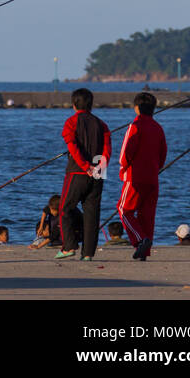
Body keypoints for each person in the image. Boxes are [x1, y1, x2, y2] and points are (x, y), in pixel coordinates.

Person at [57, 87, 111, 262]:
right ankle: (88, 253)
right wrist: (99, 167)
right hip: (98, 173)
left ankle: (69, 247)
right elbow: (107, 150)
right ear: (91, 104)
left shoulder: (71, 122)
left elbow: (72, 145)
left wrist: (85, 165)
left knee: (65, 208)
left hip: (77, 172)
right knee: (92, 213)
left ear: (74, 105)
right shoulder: (102, 124)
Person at [118, 91, 167, 260]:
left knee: (124, 210)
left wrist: (123, 169)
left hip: (134, 177)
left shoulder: (135, 126)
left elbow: (125, 153)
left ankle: (140, 240)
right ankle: (144, 251)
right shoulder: (158, 127)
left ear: (137, 108)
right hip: (153, 177)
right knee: (147, 215)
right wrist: (155, 168)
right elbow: (163, 154)